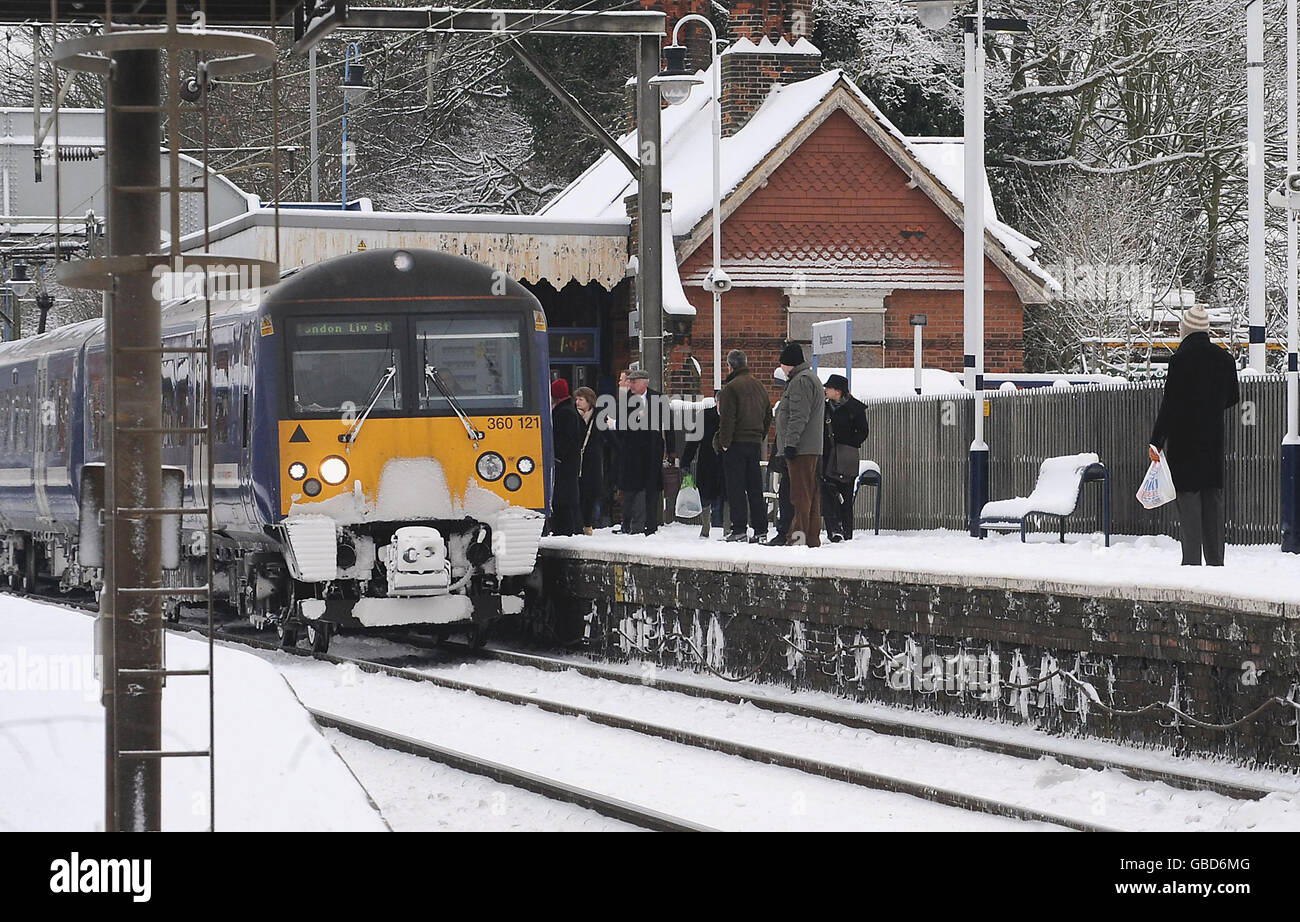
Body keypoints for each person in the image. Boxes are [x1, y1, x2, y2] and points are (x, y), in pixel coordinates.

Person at [1149, 303, 1240, 566]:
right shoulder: (1224, 359)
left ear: (1186, 330)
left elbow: (1170, 405)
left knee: (1189, 505)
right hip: (1212, 443)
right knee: (1213, 503)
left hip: (1184, 444)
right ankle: (1216, 564)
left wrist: (1156, 440)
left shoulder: (1180, 360)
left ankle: (1191, 564)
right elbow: (1233, 397)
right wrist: (1210, 408)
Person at [713, 349, 773, 543]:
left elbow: (727, 419)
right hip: (754, 443)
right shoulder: (759, 386)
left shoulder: (731, 388)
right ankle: (761, 529)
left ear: (729, 366)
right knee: (755, 487)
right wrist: (760, 435)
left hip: (736, 444)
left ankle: (739, 529)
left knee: (736, 487)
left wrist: (724, 443)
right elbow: (768, 414)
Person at [777, 343, 823, 547]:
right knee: (810, 494)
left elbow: (798, 416)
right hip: (810, 446)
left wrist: (790, 444)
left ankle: (798, 538)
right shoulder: (810, 378)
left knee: (799, 495)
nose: (782, 369)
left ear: (789, 364)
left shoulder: (800, 381)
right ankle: (811, 538)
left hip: (801, 448)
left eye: (783, 364)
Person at [618, 369, 674, 535]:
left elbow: (668, 425)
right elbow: (622, 427)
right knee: (631, 488)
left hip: (652, 450)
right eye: (630, 382)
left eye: (634, 382)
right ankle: (627, 523)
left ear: (644, 382)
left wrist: (672, 451)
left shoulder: (659, 398)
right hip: (632, 451)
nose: (631, 385)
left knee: (652, 488)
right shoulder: (625, 400)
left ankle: (651, 525)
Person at [820, 373, 869, 542]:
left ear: (838, 391)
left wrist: (849, 444)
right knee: (827, 491)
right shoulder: (824, 408)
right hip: (827, 456)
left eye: (829, 387)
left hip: (845, 456)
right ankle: (834, 530)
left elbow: (863, 432)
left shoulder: (855, 408)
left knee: (846, 495)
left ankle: (846, 531)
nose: (826, 390)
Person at [680, 397, 725, 537]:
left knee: (727, 494)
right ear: (716, 402)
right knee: (705, 494)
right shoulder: (705, 415)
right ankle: (705, 527)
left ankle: (728, 527)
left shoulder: (732, 414)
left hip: (727, 461)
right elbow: (694, 439)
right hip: (708, 460)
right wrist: (686, 460)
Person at [763, 366, 796, 546]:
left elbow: (794, 421)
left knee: (789, 494)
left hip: (791, 452)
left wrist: (789, 447)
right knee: (786, 493)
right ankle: (787, 531)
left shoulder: (795, 392)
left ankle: (787, 532)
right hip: (787, 451)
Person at [547, 378, 582, 536]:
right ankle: (566, 528)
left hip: (564, 464)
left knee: (563, 497)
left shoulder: (564, 412)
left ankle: (564, 529)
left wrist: (557, 456)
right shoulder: (569, 410)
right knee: (566, 496)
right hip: (568, 463)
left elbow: (564, 439)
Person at [574, 386, 604, 535]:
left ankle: (589, 523)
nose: (577, 402)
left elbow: (606, 437)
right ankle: (580, 523)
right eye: (576, 399)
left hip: (592, 460)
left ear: (589, 401)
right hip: (578, 461)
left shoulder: (599, 416)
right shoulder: (574, 415)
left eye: (581, 399)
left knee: (590, 494)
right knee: (578, 493)